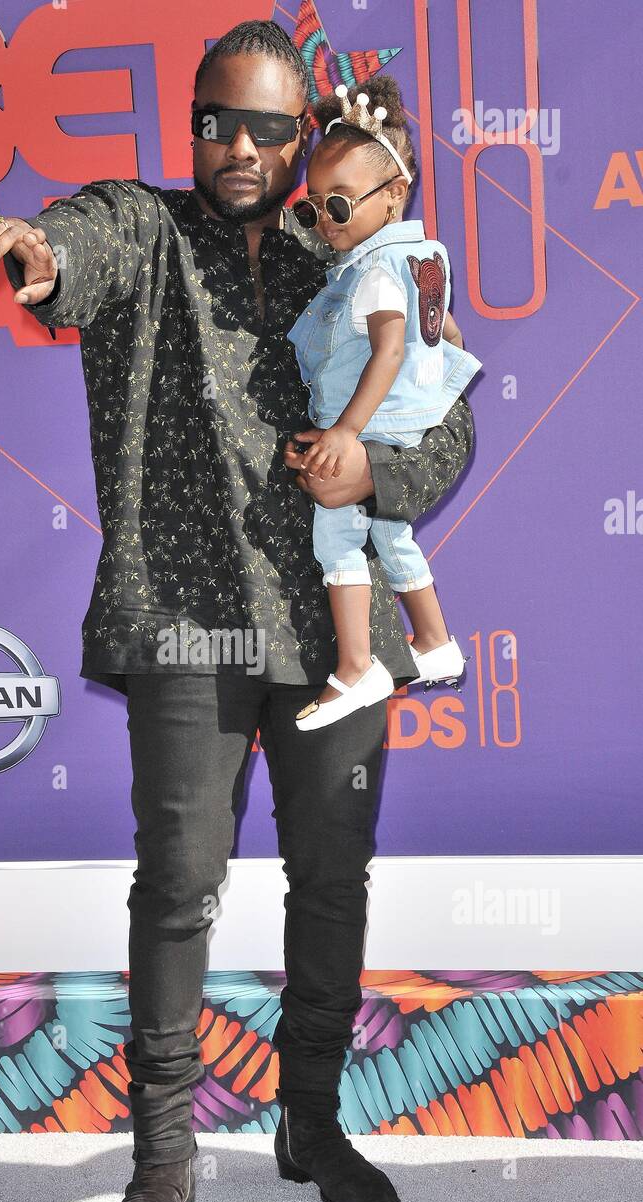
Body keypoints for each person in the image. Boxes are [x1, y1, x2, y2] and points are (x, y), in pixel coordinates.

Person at [0, 19, 475, 1202]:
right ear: (190, 124)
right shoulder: (144, 233)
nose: (238, 147)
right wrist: (43, 255)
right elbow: (74, 246)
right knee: (178, 887)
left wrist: (380, 462)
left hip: (333, 624)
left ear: (305, 133)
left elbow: (445, 427)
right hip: (185, 619)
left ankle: (311, 1125)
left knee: (333, 879)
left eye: (265, 127)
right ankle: (161, 1163)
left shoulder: (354, 242)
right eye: (215, 121)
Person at [286, 75, 482, 730]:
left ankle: (356, 666)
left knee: (335, 533)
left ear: (393, 195)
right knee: (390, 531)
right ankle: (433, 640)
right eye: (311, 209)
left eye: (337, 207)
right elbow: (443, 328)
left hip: (380, 421)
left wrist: (345, 431)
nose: (324, 224)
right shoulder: (424, 254)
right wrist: (443, 357)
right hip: (416, 415)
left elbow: (389, 350)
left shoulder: (372, 270)